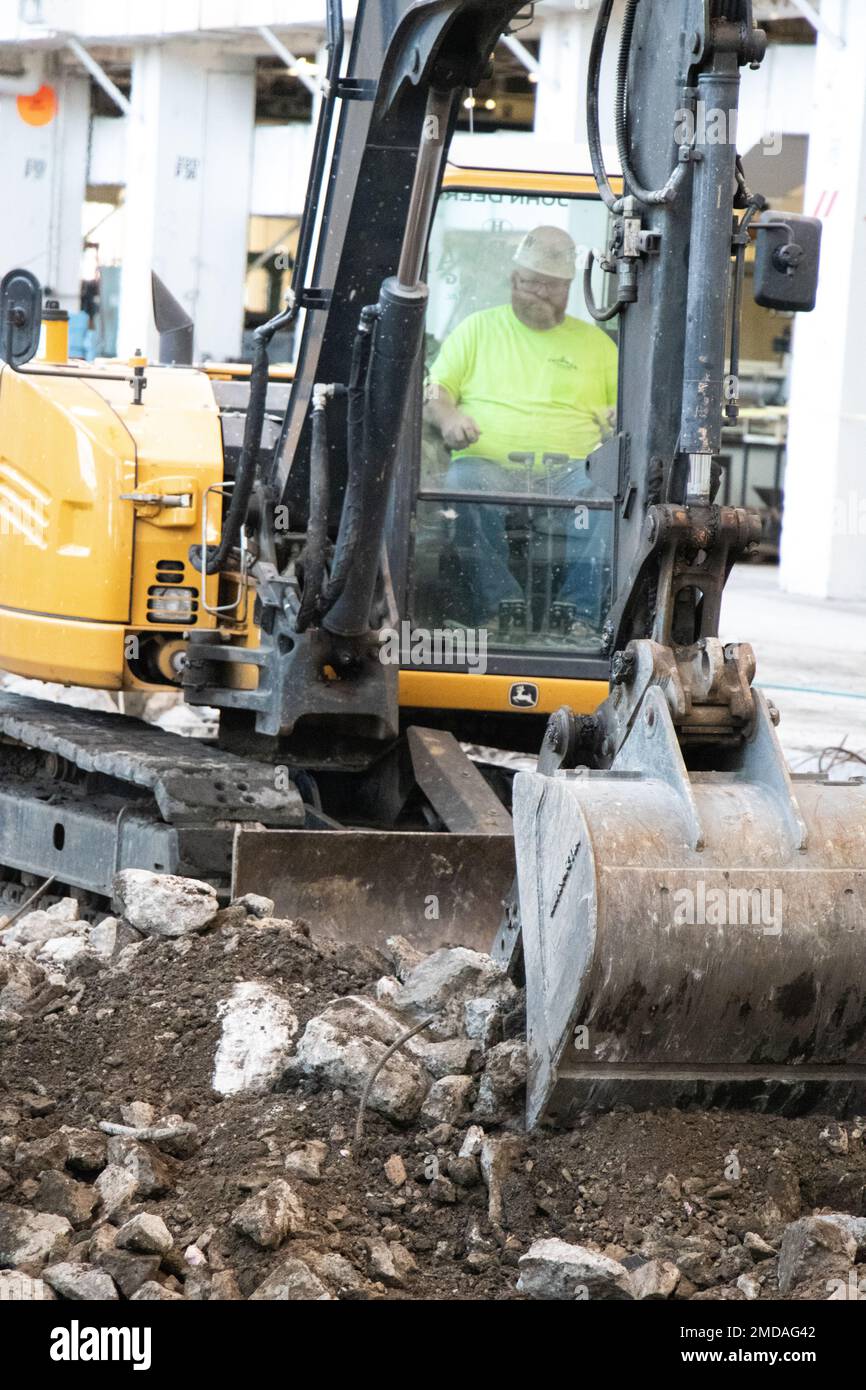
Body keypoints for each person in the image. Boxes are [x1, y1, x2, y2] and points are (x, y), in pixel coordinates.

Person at [424, 225, 618, 630]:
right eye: (531, 283)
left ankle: (578, 617)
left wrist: (619, 418)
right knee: (462, 483)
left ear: (569, 288)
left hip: (571, 473)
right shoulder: (477, 330)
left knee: (613, 495)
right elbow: (436, 394)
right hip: (488, 466)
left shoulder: (598, 345)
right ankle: (502, 609)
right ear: (514, 279)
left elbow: (622, 410)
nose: (539, 293)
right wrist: (451, 419)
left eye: (551, 286)